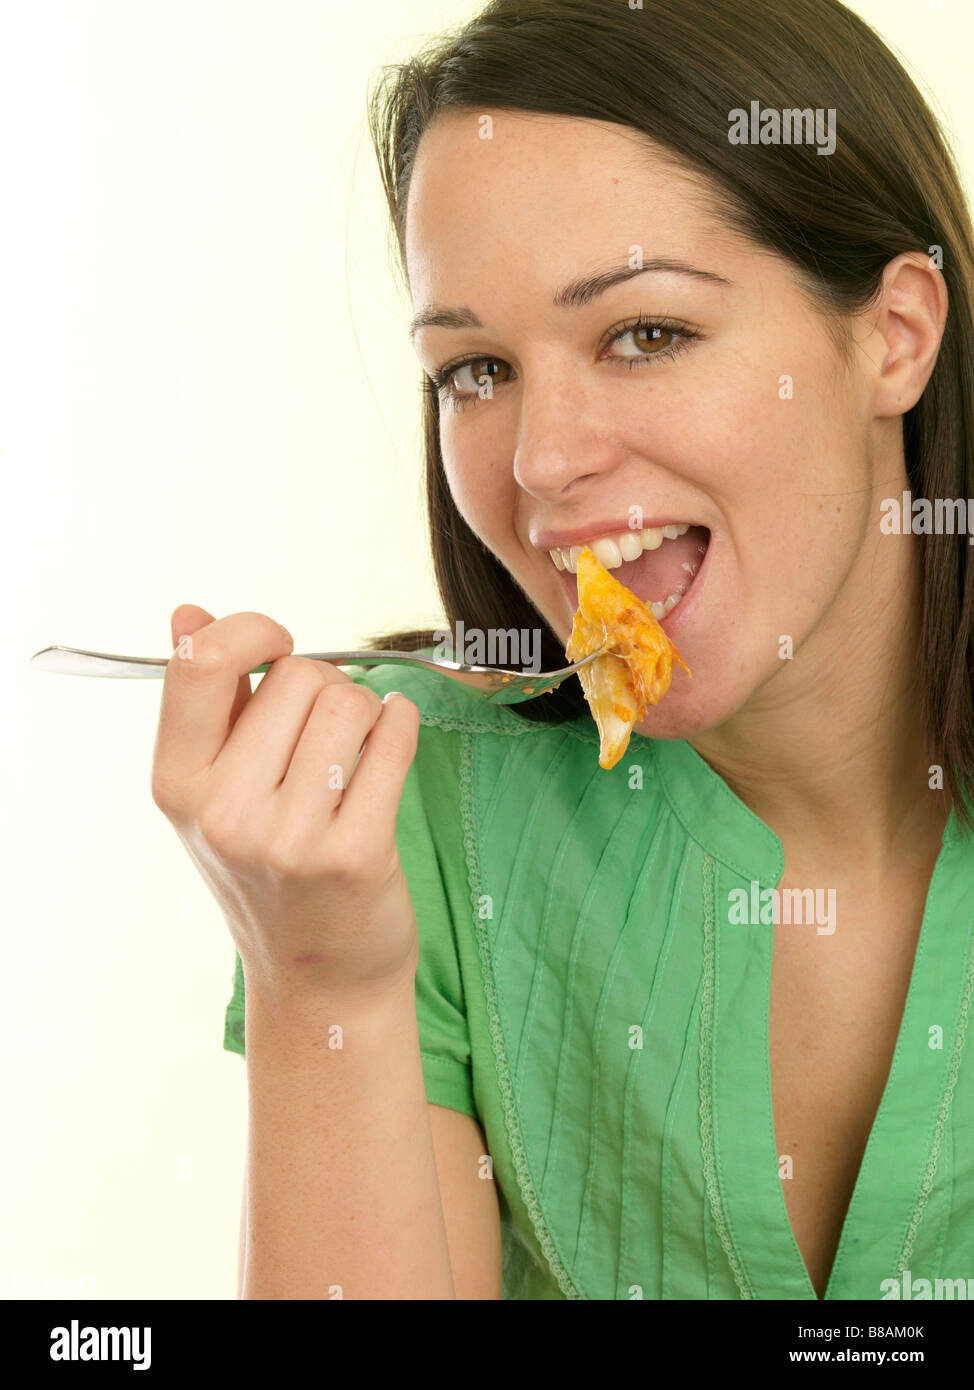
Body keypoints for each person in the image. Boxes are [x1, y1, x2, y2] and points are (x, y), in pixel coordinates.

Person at [152, 0, 974, 1300]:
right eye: (474, 369)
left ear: (893, 334)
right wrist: (321, 976)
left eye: (643, 333)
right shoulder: (407, 816)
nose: (539, 463)